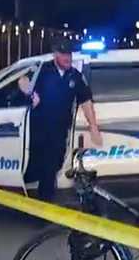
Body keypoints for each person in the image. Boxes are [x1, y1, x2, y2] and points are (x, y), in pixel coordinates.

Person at [17, 40, 102, 202]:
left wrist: (93, 127)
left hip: (59, 131)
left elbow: (86, 101)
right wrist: (31, 94)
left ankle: (44, 204)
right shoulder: (43, 69)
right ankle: (39, 202)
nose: (67, 58)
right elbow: (22, 80)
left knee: (51, 167)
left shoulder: (75, 76)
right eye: (63, 54)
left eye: (69, 54)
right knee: (40, 167)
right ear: (55, 54)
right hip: (38, 129)